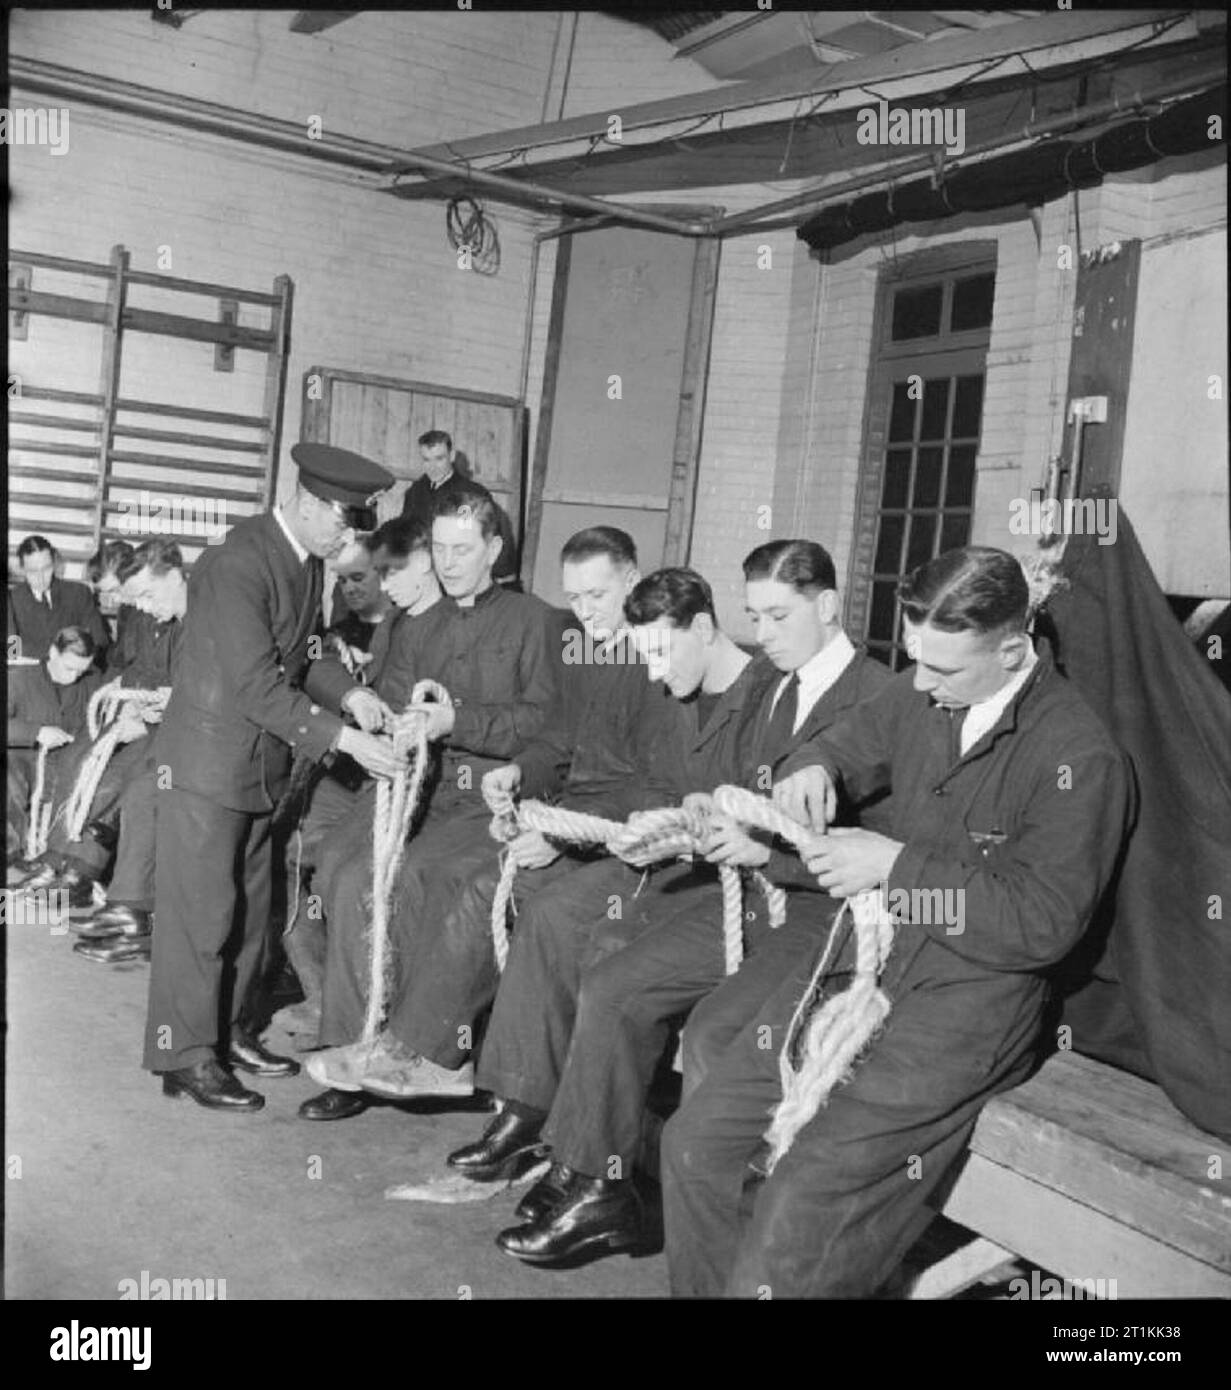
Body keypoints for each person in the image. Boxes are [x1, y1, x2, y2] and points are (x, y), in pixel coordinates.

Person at [660, 545, 1135, 1297]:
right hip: (859, 965)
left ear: (1013, 649)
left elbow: (1042, 924)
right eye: (914, 657)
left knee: (802, 1205)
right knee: (695, 1146)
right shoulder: (920, 693)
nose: (920, 681)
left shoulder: (1077, 755)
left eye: (943, 669)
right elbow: (846, 738)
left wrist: (895, 870)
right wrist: (811, 765)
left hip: (968, 1004)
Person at [490, 541, 893, 1265]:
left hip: (814, 912)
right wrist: (691, 820)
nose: (761, 632)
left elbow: (868, 847)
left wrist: (754, 847)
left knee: (670, 1007)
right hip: (753, 891)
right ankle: (594, 1176)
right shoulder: (780, 685)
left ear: (827, 607)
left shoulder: (875, 698)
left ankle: (641, 1190)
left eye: (775, 615)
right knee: (610, 974)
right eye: (756, 616)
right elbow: (738, 791)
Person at [301, 526, 686, 1114]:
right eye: (575, 598)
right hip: (548, 811)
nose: (584, 613)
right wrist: (520, 774)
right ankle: (385, 1043)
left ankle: (433, 1054)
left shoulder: (660, 665)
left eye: (598, 597)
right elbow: (555, 738)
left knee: (471, 881)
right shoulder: (585, 650)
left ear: (632, 582)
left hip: (610, 838)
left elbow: (652, 786)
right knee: (400, 869)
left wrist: (559, 829)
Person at [141, 443, 404, 1114]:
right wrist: (342, 738)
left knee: (252, 915)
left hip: (259, 769)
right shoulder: (237, 563)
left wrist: (349, 695)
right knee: (201, 918)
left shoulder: (304, 562)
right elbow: (256, 682)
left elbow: (302, 655)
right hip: (207, 766)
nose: (350, 541)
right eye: (345, 525)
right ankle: (186, 1056)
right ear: (311, 505)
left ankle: (228, 1033)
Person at [298, 482, 561, 1120]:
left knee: (417, 875)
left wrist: (457, 723)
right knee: (348, 870)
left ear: (494, 548)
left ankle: (420, 1048)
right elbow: (388, 699)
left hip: (490, 796)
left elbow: (546, 723)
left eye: (463, 549)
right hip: (422, 788)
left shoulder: (540, 623)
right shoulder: (421, 624)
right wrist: (381, 719)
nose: (449, 562)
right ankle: (353, 1045)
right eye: (440, 548)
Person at [278, 514, 444, 1044]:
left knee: (338, 871)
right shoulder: (348, 627)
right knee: (286, 854)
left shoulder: (418, 619)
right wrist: (352, 685)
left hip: (399, 775)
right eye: (342, 580)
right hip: (354, 762)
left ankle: (359, 1010)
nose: (351, 588)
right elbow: (314, 661)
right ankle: (321, 992)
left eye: (363, 577)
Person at [22, 538, 189, 919]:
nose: (122, 601)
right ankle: (58, 858)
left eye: (122, 592)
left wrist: (140, 712)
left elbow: (177, 683)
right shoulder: (141, 612)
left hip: (160, 720)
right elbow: (125, 661)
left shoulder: (176, 617)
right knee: (76, 756)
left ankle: (82, 873)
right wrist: (114, 694)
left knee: (112, 777)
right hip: (132, 702)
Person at [71, 539, 191, 965]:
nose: (142, 606)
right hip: (169, 723)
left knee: (141, 789)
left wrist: (158, 706)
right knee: (116, 771)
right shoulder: (161, 615)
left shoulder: (197, 620)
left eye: (146, 596)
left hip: (197, 739)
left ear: (174, 578)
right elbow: (141, 668)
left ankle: (131, 908)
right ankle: (118, 898)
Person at [7, 626, 105, 869]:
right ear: (53, 652)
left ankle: (59, 858)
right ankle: (13, 853)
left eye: (81, 671)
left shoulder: (92, 683)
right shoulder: (19, 678)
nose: (73, 677)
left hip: (65, 765)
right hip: (23, 761)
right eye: (69, 668)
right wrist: (37, 732)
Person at [400, 431, 520, 587]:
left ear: (452, 456)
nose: (433, 467)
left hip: (459, 577)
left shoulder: (469, 495)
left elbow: (474, 538)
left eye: (439, 459)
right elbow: (404, 535)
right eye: (426, 460)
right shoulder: (415, 493)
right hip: (422, 578)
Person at [9, 535, 111, 664]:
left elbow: (100, 641)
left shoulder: (79, 593)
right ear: (22, 569)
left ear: (54, 564)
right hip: (31, 678)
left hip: (76, 675)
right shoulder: (11, 600)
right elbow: (11, 651)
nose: (41, 578)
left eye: (46, 568)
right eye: (33, 571)